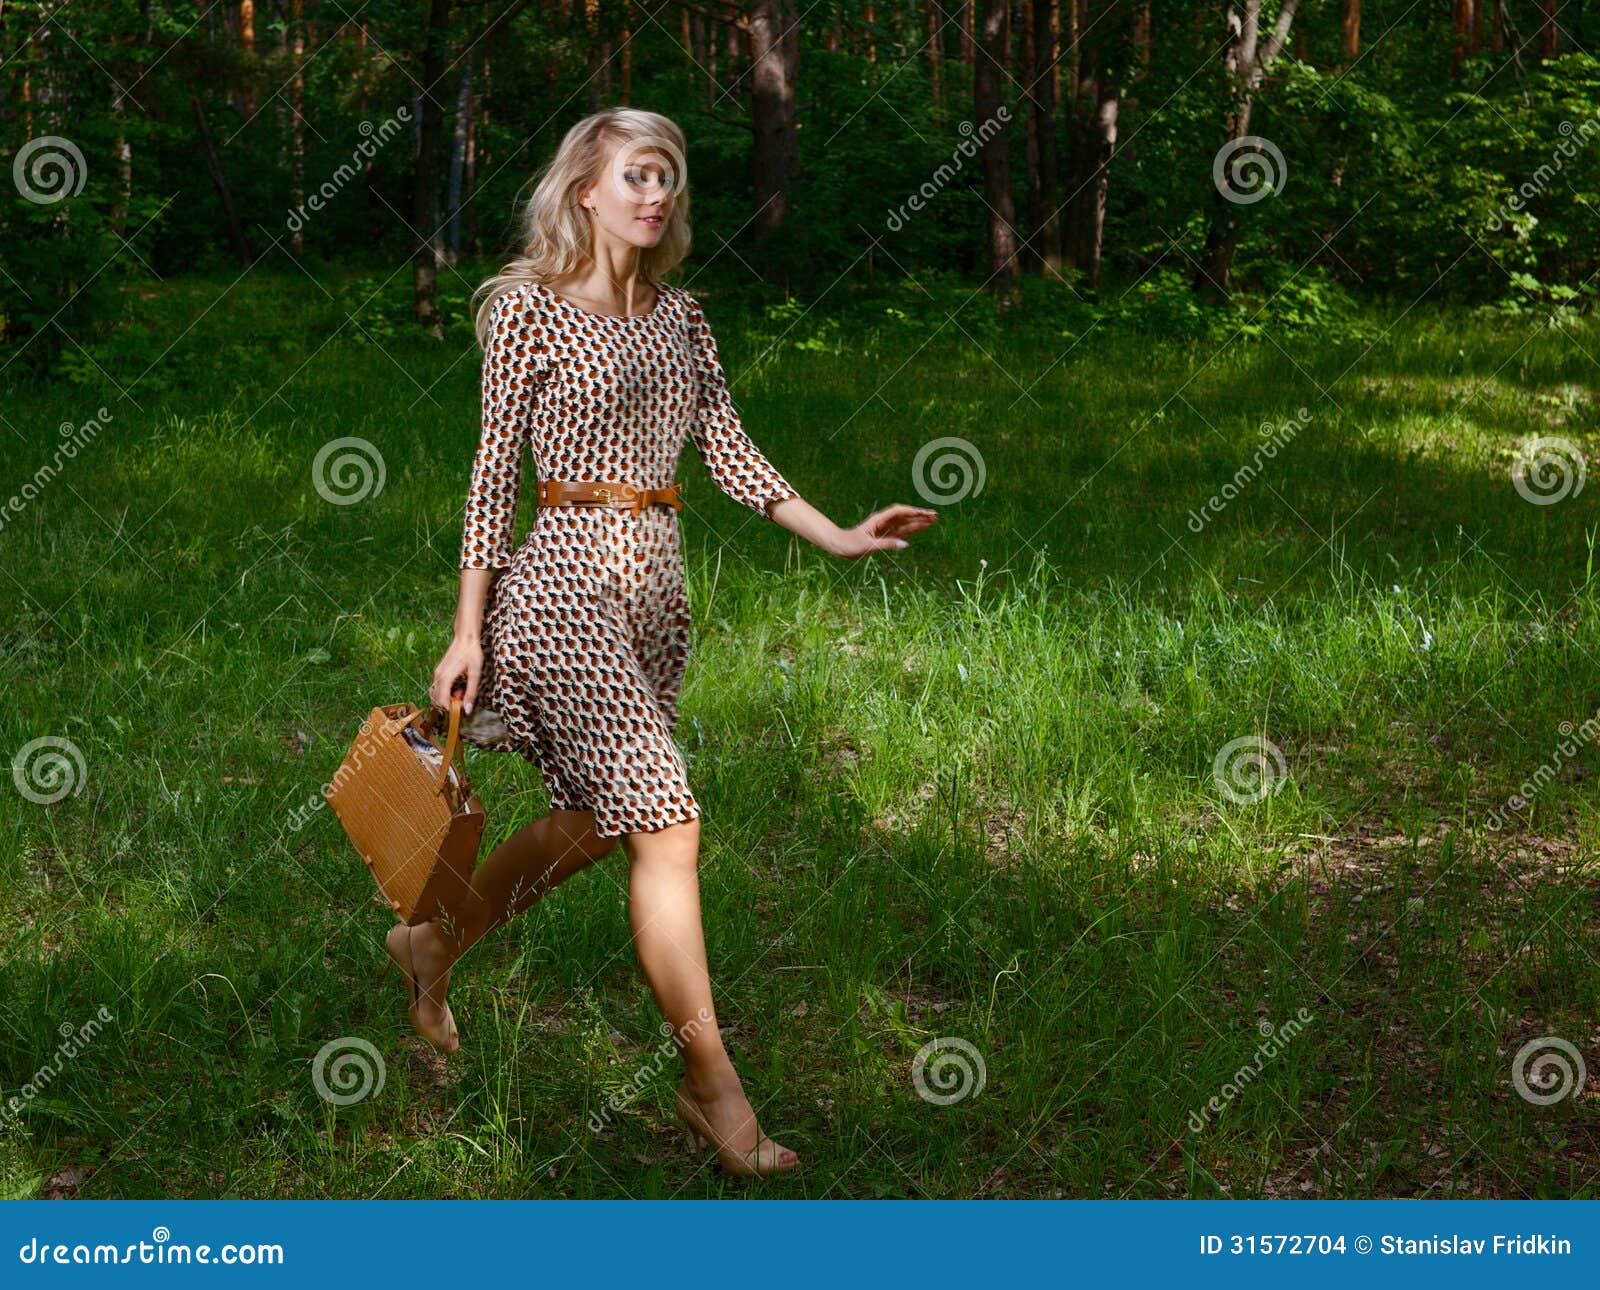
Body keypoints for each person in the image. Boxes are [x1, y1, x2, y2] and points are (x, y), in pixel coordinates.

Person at [399, 107, 937, 1178]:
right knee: (670, 821)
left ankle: (434, 940)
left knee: (602, 821)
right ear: (585, 190)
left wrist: (834, 534)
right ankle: (712, 1090)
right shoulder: (526, 310)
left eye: (670, 180)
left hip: (654, 590)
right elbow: (490, 469)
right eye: (638, 176)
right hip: (557, 586)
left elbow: (727, 448)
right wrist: (467, 630)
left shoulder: (682, 319)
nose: (657, 195)